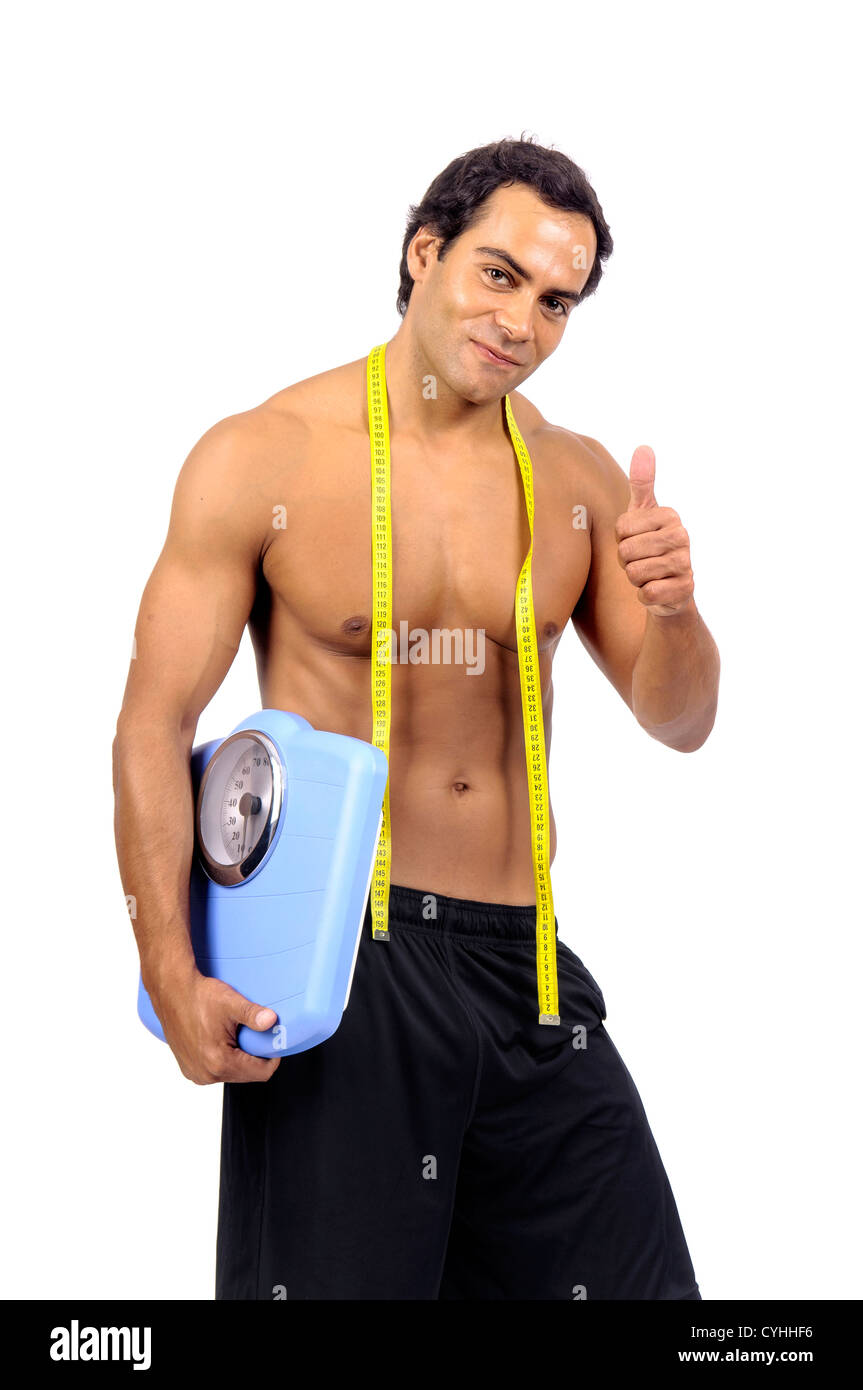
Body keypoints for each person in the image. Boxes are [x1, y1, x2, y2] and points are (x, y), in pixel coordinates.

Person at [113, 135, 720, 1300]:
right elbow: (151, 721)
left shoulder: (578, 480)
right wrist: (167, 961)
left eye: (556, 301)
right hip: (352, 963)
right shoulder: (264, 455)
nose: (522, 321)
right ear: (423, 252)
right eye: (498, 274)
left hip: (527, 965)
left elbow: (678, 721)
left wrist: (675, 611)